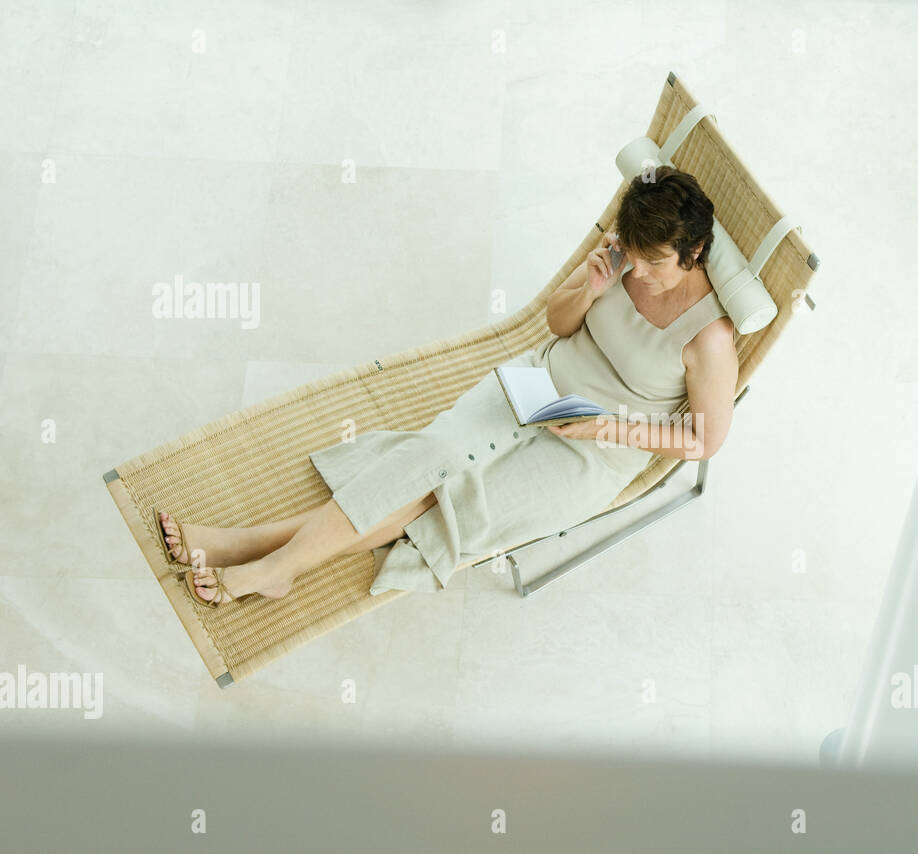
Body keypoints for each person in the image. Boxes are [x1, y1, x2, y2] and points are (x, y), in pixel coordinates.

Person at [166, 166, 740, 606]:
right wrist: (590, 289)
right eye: (632, 257)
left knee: (452, 504)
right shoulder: (622, 255)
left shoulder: (709, 337)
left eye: (656, 263)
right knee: (431, 459)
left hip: (599, 449)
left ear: (693, 252)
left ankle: (259, 553)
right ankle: (268, 563)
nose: (638, 272)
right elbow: (557, 324)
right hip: (538, 384)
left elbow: (705, 439)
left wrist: (602, 426)